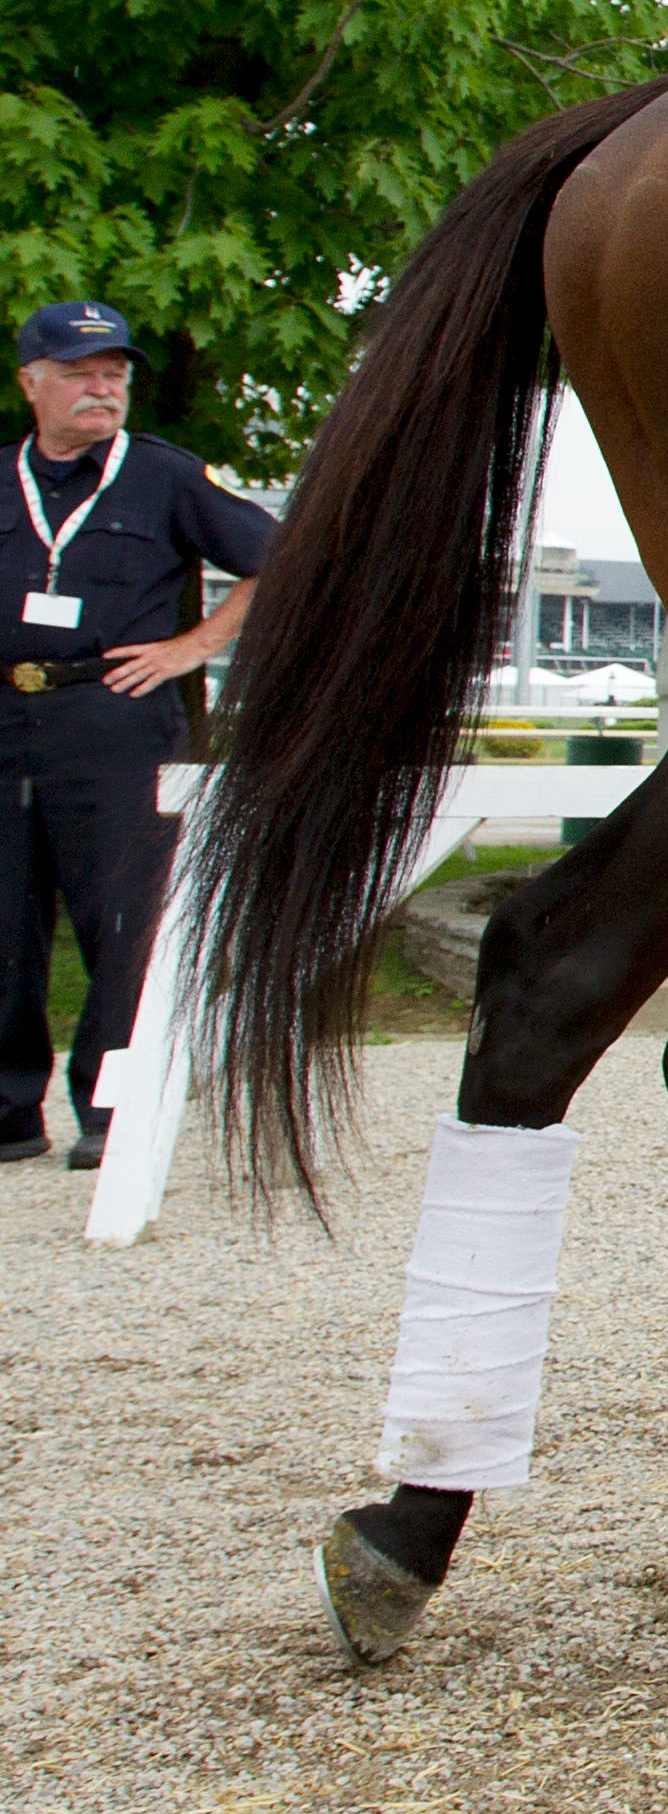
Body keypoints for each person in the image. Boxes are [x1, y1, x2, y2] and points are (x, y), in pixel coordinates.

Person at [0, 302, 275, 1169]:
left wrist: (193, 648)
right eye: (80, 373)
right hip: (6, 716)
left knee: (121, 918)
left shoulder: (164, 476)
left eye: (114, 373)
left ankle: (109, 1107)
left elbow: (278, 557)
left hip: (114, 719)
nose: (102, 388)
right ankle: (9, 1110)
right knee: (4, 919)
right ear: (31, 383)